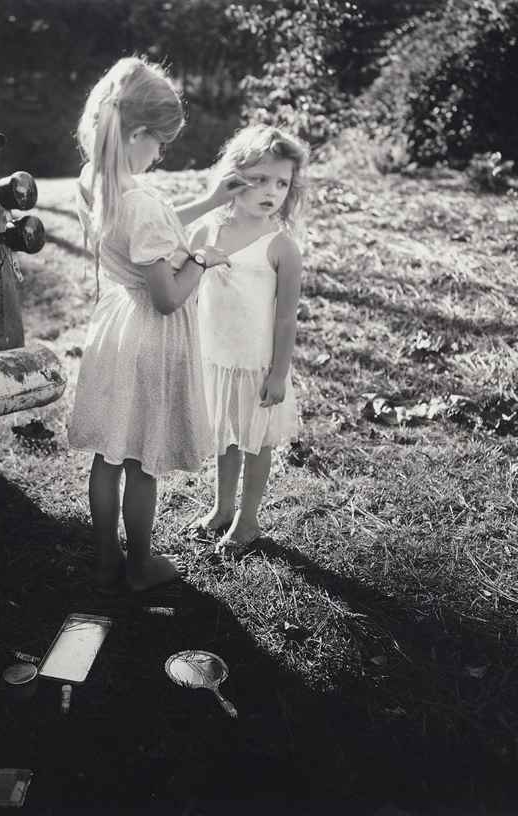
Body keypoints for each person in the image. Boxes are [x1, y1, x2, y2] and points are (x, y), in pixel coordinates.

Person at [69, 56, 247, 592]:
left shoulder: (94, 179)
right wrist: (202, 259)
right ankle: (141, 568)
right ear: (139, 133)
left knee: (108, 455)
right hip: (150, 332)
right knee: (143, 460)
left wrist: (212, 200)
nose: (161, 153)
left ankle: (105, 560)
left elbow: (152, 231)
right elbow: (168, 297)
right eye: (160, 142)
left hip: (116, 326)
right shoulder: (141, 198)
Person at [189, 124, 307, 554]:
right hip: (218, 357)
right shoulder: (209, 232)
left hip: (259, 363)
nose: (271, 191)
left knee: (256, 441)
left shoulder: (281, 247)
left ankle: (248, 518)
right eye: (260, 179)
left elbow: (285, 319)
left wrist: (279, 372)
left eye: (282, 183)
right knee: (226, 436)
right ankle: (222, 507)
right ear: (233, 176)